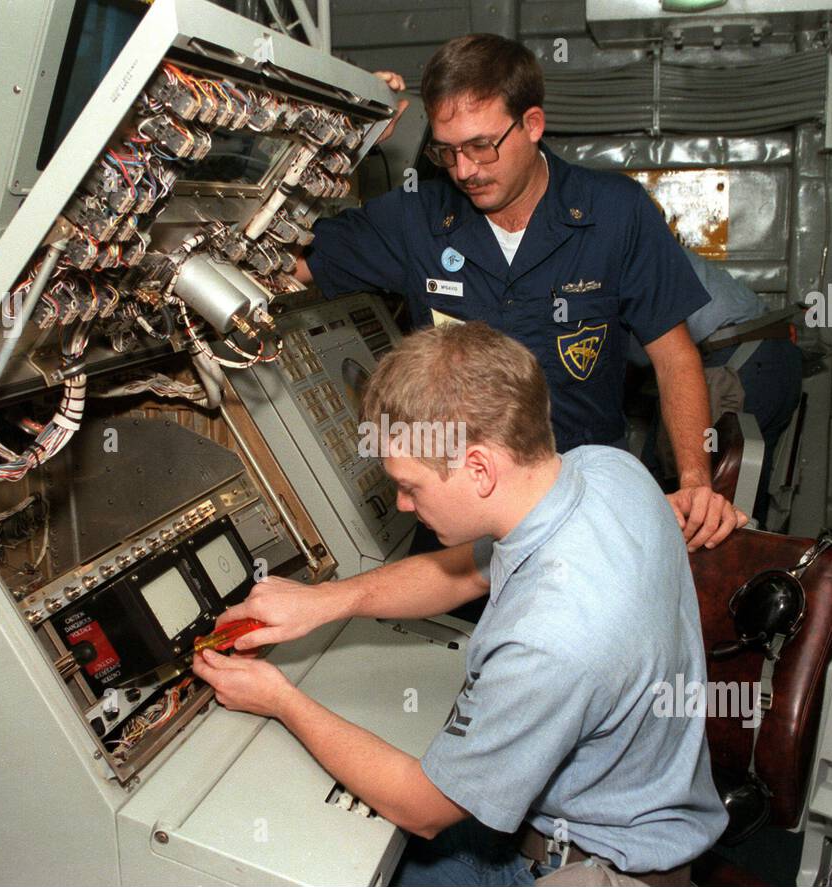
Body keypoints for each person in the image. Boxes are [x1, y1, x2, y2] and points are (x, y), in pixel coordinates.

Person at [191, 321, 728, 886]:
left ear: (479, 469)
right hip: (616, 814)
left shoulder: (551, 639)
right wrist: (325, 601)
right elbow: (470, 571)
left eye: (411, 485)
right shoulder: (607, 469)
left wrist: (280, 699)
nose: (401, 503)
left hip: (589, 864)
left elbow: (424, 810)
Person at [291, 35, 746, 553]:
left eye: (481, 146)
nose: (464, 170)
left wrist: (694, 482)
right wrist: (338, 141)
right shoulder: (414, 217)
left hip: (581, 506)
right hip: (458, 516)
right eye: (447, 151)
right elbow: (281, 259)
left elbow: (674, 357)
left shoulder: (615, 212)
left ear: (532, 124)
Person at [630, 249, 803, 525]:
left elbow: (641, 355)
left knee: (674, 488)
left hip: (737, 364)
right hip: (776, 354)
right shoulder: (642, 237)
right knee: (743, 492)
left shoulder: (613, 254)